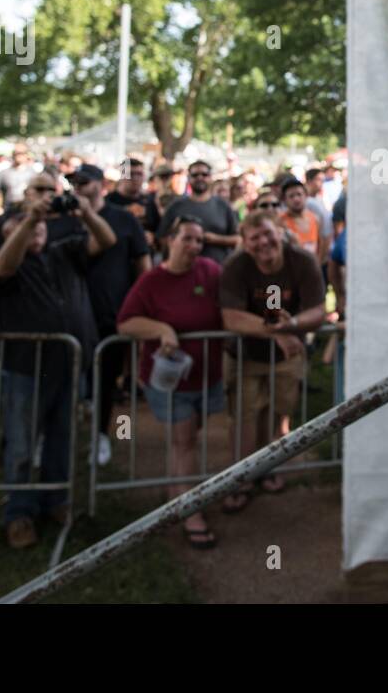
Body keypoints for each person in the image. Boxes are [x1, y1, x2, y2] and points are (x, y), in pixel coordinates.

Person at [0, 193, 115, 548]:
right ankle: (19, 512)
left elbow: (106, 240)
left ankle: (56, 500)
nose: (36, 228)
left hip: (71, 364)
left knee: (62, 438)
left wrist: (86, 212)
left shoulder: (64, 252)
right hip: (26, 368)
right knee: (23, 444)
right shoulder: (0, 261)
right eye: (24, 223)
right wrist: (28, 221)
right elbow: (3, 269)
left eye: (41, 223)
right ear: (6, 232)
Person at [117, 217, 231, 545]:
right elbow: (125, 323)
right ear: (170, 240)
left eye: (199, 240)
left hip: (207, 376)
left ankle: (175, 486)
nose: (194, 246)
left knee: (190, 436)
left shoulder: (210, 271)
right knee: (186, 442)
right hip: (170, 382)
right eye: (188, 239)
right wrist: (162, 330)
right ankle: (189, 512)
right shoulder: (152, 281)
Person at [220, 213, 325, 497]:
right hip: (245, 356)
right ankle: (238, 480)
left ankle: (265, 470)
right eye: (254, 238)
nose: (263, 242)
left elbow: (319, 310)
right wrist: (276, 332)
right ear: (245, 243)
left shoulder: (302, 260)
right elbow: (230, 317)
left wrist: (291, 325)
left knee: (275, 414)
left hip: (286, 358)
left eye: (267, 233)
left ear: (280, 231)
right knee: (243, 417)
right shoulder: (236, 266)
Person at [61, 163, 151, 467]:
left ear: (101, 184)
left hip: (112, 312)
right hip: (70, 314)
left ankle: (103, 434)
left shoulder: (125, 219)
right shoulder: (65, 217)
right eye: (73, 181)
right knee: (68, 379)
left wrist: (142, 304)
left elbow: (143, 263)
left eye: (84, 181)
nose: (78, 187)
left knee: (107, 381)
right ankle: (57, 438)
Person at [157, 160, 240, 265]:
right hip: (183, 270)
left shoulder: (223, 206)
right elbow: (162, 239)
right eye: (195, 175)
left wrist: (216, 239)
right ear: (189, 178)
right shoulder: (176, 206)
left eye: (204, 174)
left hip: (218, 270)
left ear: (210, 178)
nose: (200, 178)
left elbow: (238, 239)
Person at [275, 177, 324, 263]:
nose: (296, 199)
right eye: (291, 196)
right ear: (285, 200)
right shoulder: (280, 221)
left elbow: (320, 245)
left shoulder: (315, 218)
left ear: (305, 196)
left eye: (299, 194)